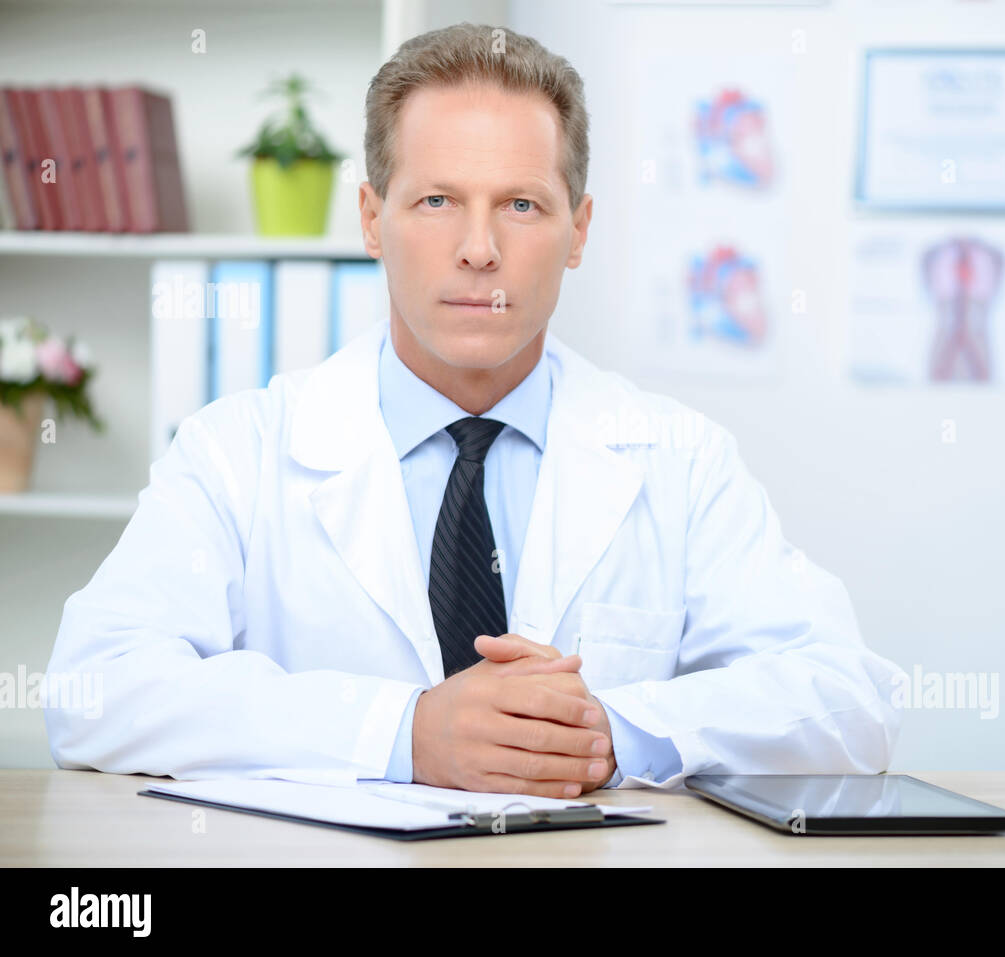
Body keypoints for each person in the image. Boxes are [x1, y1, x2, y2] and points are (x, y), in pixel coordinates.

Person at [44, 22, 903, 798]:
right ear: (373, 220)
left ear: (579, 231)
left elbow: (849, 700)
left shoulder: (679, 458)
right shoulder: (237, 449)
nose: (479, 249)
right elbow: (96, 689)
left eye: (522, 205)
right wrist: (405, 732)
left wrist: (610, 732)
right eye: (437, 200)